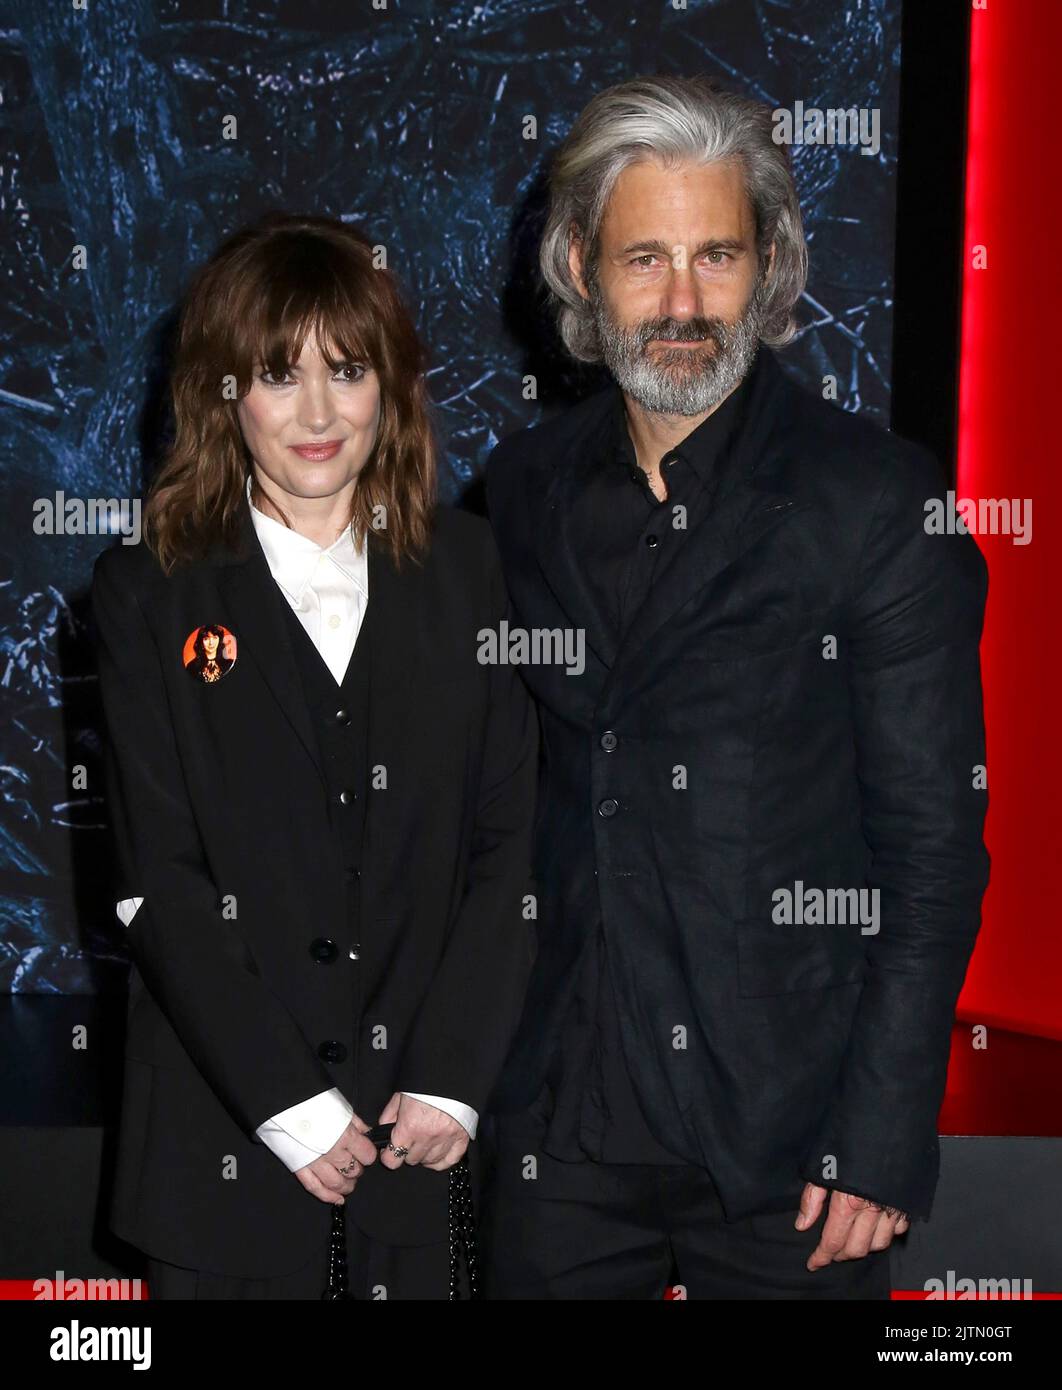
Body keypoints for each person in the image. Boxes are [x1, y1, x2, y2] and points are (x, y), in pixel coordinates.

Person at [479, 75, 990, 1299]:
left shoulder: (872, 501)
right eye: (644, 258)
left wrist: (880, 1135)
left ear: (768, 270)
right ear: (583, 276)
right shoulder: (524, 496)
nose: (683, 301)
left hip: (790, 1143)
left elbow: (933, 849)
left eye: (717, 254)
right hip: (567, 1123)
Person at [93, 211, 538, 1299]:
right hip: (219, 1155)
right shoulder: (146, 591)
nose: (318, 412)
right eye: (277, 375)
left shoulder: (475, 568)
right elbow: (161, 884)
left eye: (347, 369)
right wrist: (288, 1106)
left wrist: (453, 1082)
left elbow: (511, 846)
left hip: (423, 1149)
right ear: (221, 393)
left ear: (391, 383)